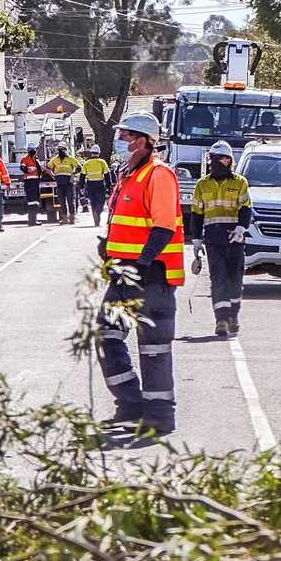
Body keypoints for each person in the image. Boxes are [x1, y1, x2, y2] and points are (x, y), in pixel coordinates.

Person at [96, 113, 186, 436]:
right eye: (122, 136)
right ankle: (131, 404)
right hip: (123, 276)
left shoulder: (158, 175)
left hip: (152, 279)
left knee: (153, 348)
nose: (123, 142)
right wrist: (109, 247)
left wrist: (141, 263)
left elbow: (163, 228)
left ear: (147, 141)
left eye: (129, 137)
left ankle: (160, 415)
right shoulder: (129, 176)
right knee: (106, 335)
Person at [190, 140, 251, 337]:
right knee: (218, 279)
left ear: (230, 161)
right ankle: (221, 320)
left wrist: (242, 227)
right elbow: (197, 214)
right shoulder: (202, 184)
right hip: (213, 239)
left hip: (235, 238)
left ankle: (233, 316)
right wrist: (197, 239)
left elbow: (245, 208)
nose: (219, 162)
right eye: (215, 159)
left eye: (223, 159)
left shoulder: (240, 182)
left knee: (234, 279)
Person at [48, 144, 80, 225]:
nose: (61, 151)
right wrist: (53, 175)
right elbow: (48, 167)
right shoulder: (55, 159)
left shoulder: (71, 159)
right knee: (62, 202)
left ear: (66, 150)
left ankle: (72, 218)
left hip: (69, 182)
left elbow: (79, 167)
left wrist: (73, 175)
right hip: (59, 183)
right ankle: (64, 219)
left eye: (62, 149)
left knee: (70, 201)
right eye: (59, 150)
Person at [81, 148, 110, 228]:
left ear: (91, 153)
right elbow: (107, 175)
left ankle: (95, 216)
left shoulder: (86, 163)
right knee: (101, 201)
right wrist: (108, 187)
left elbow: (82, 176)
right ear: (98, 153)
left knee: (93, 201)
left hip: (90, 184)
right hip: (100, 184)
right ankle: (97, 213)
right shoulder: (102, 162)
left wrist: (81, 187)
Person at [18, 143, 46, 226]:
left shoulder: (36, 159)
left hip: (36, 181)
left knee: (36, 201)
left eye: (33, 149)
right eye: (30, 149)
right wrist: (27, 170)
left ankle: (34, 219)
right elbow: (22, 167)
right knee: (31, 201)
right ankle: (32, 220)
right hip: (29, 181)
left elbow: (40, 169)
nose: (32, 150)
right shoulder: (25, 158)